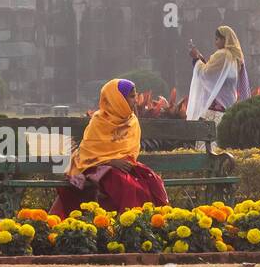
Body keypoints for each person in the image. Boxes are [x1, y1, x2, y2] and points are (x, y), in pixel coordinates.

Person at [49, 78, 170, 216]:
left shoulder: (132, 121)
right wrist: (110, 161)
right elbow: (87, 153)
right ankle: (124, 225)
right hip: (94, 167)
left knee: (153, 181)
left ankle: (154, 223)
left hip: (123, 167)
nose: (135, 100)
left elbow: (130, 151)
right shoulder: (99, 121)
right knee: (127, 185)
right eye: (131, 97)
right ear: (117, 99)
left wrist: (121, 162)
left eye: (135, 96)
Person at [187, 25, 249, 123]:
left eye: (217, 39)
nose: (215, 43)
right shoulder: (236, 57)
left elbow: (205, 74)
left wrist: (196, 58)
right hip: (230, 105)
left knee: (210, 136)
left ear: (225, 39)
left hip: (218, 107)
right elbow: (218, 75)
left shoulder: (222, 54)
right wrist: (201, 59)